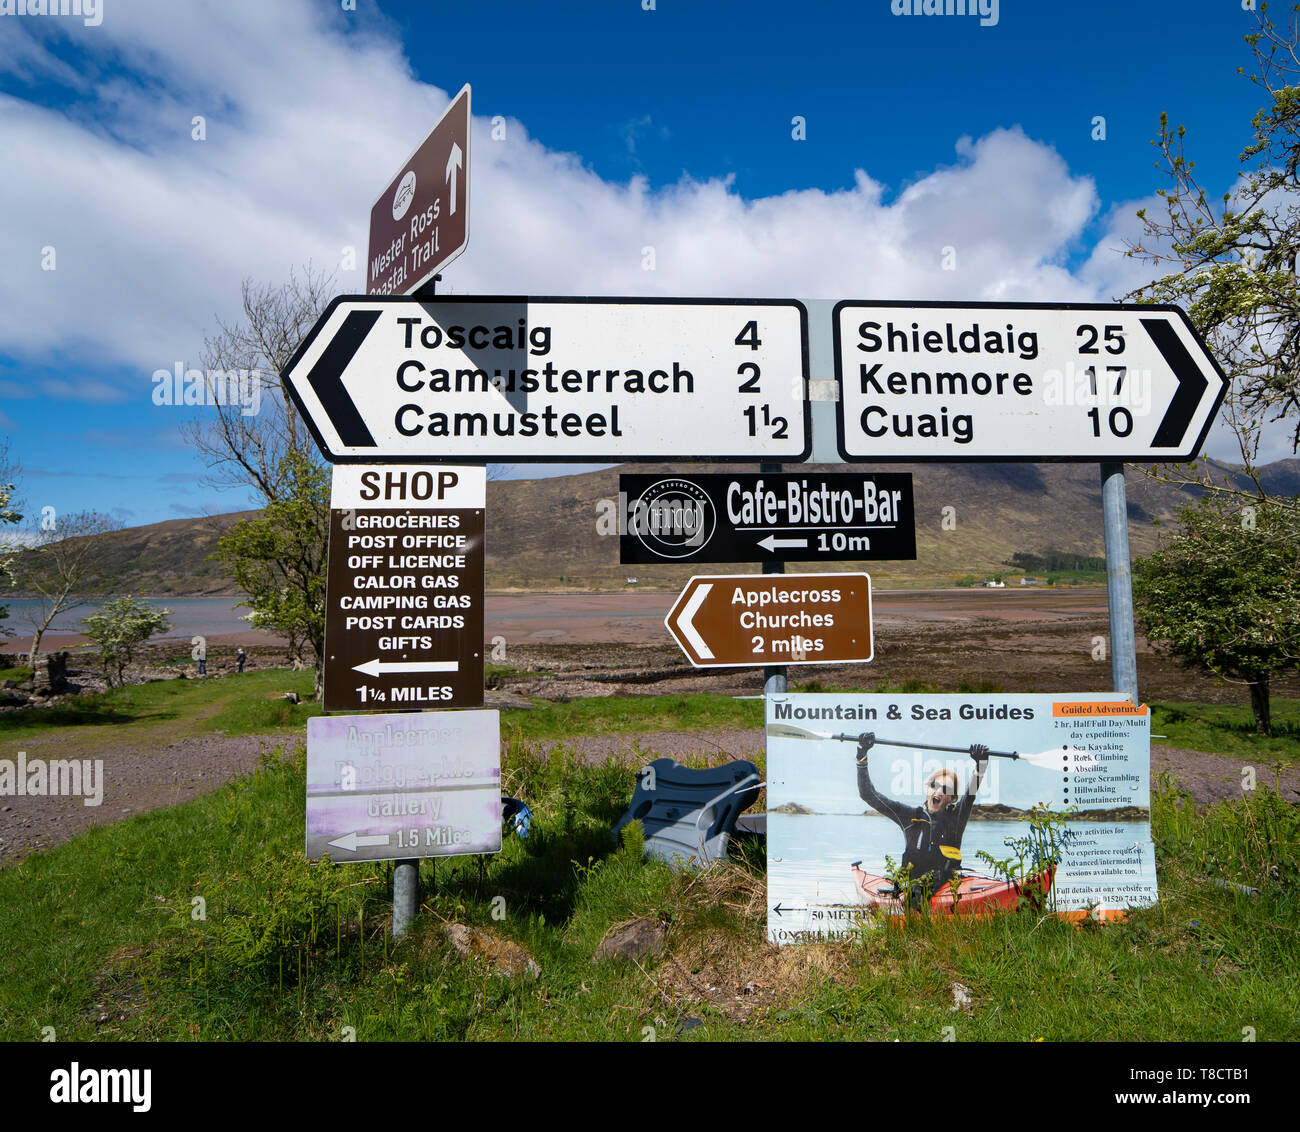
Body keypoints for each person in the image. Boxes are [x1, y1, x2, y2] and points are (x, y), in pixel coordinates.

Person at [854, 732, 989, 908]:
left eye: (946, 789)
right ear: (928, 788)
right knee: (917, 889)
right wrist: (862, 755)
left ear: (952, 798)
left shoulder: (957, 817)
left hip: (946, 881)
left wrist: (981, 764)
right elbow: (868, 795)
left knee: (935, 879)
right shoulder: (909, 816)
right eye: (934, 786)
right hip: (912, 882)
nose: (938, 792)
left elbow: (970, 794)